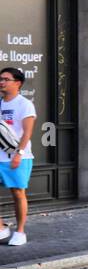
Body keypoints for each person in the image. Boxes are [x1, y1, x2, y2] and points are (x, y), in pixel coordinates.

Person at [0, 67, 36, 247]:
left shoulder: (25, 104)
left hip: (17, 156)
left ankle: (20, 232)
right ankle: (1, 227)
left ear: (18, 83)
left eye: (6, 79)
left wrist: (19, 154)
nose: (2, 82)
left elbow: (27, 132)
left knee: (18, 193)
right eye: (1, 79)